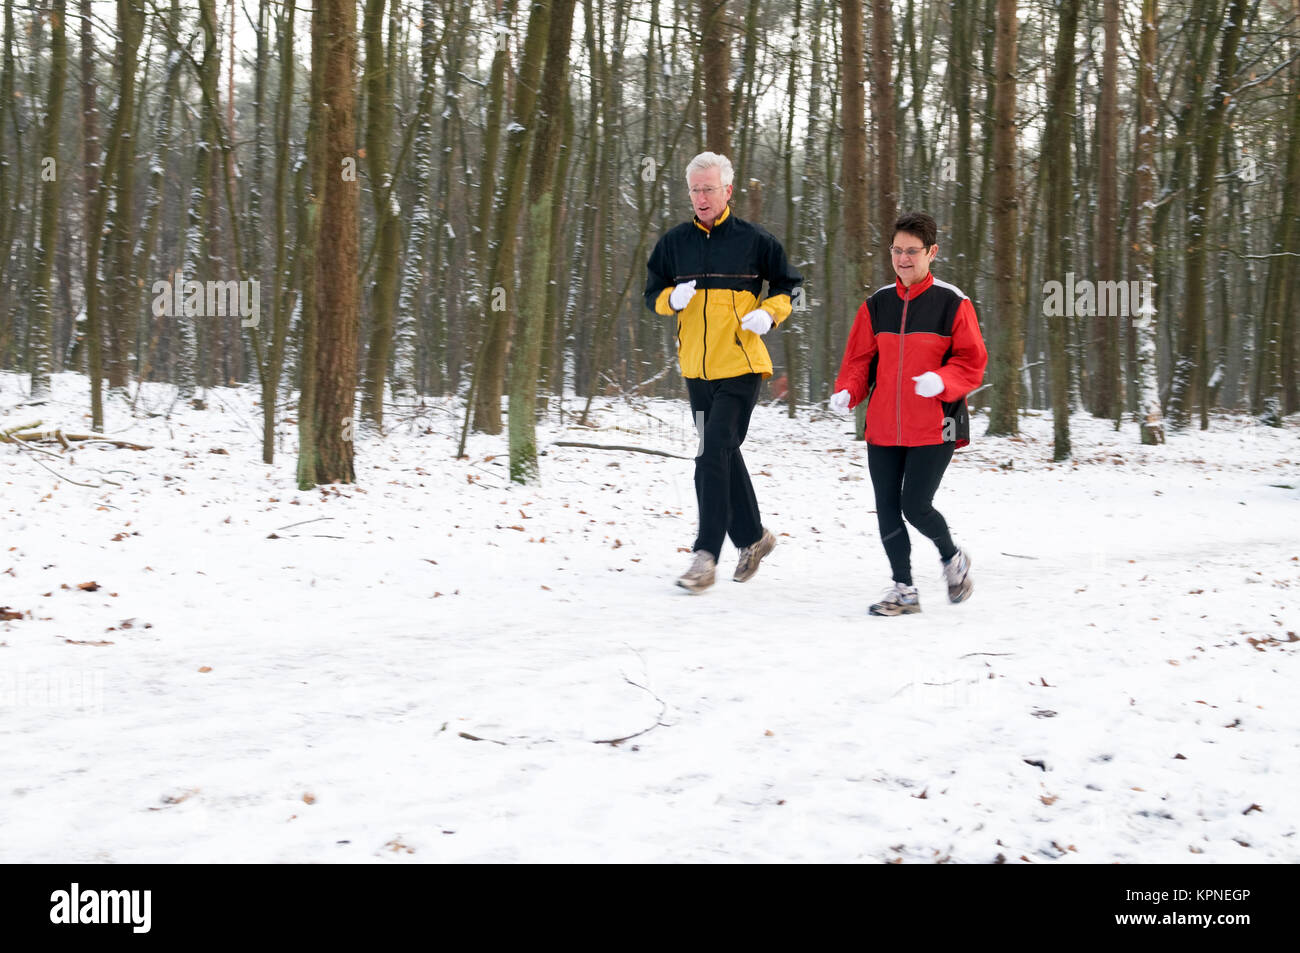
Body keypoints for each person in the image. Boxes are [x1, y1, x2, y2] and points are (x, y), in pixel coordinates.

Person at [644, 152, 803, 593]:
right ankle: (753, 538)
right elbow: (651, 293)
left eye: (709, 188)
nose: (701, 197)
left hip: (741, 366)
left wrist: (769, 314)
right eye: (694, 189)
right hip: (696, 370)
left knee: (711, 451)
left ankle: (705, 554)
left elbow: (790, 286)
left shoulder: (755, 241)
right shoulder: (674, 243)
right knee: (724, 453)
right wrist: (670, 301)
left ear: (728, 191)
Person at [830, 212, 987, 615]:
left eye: (912, 251)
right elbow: (859, 361)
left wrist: (943, 380)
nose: (903, 259)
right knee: (886, 507)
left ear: (931, 252)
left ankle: (953, 558)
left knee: (915, 504)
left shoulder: (953, 303)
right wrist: (849, 392)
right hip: (884, 425)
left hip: (938, 422)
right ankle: (903, 589)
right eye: (897, 250)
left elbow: (972, 361)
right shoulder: (876, 304)